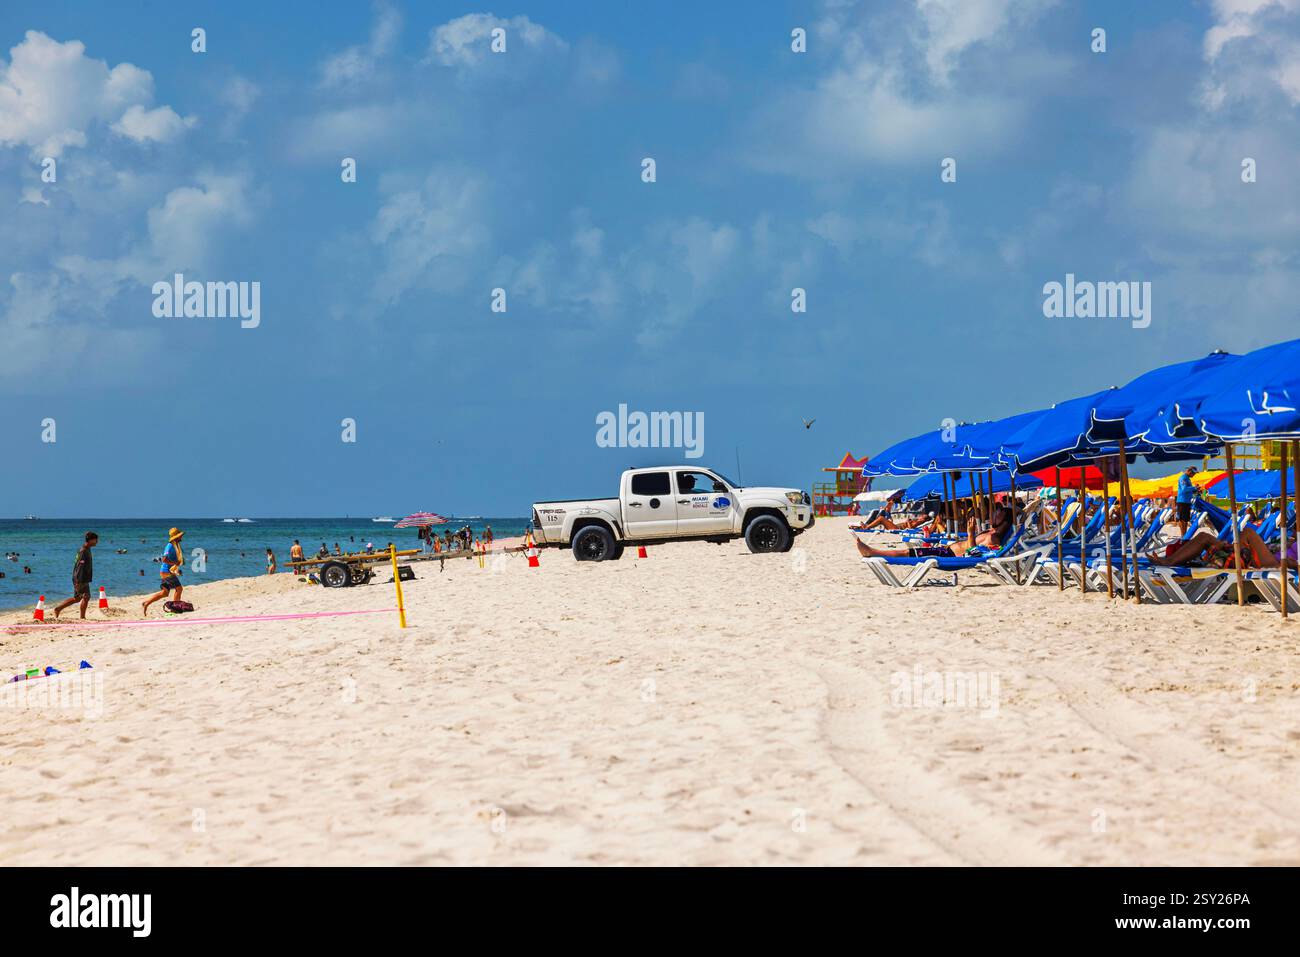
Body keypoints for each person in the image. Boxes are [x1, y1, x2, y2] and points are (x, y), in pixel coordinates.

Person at [856, 514, 1006, 560]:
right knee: (910, 552)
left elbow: (974, 553)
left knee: (908, 553)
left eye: (999, 514)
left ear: (1004, 521)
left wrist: (970, 533)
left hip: (950, 556)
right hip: (946, 551)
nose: (995, 514)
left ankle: (873, 552)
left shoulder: (993, 539)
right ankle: (873, 551)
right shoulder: (990, 532)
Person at [1152, 524, 1295, 569]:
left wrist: (1290, 563)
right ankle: (1170, 560)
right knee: (1203, 536)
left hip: (1274, 563)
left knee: (1248, 532)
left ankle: (1169, 561)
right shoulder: (1296, 539)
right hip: (1266, 555)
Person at [54, 531, 98, 620]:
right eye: (96, 540)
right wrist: (77, 581)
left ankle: (58, 609)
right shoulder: (83, 551)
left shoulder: (87, 548)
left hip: (83, 578)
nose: (97, 542)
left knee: (78, 598)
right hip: (80, 578)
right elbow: (79, 566)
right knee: (86, 597)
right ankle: (82, 617)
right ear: (90, 540)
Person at [142, 527, 185, 616]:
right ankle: (175, 609)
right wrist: (174, 562)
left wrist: (178, 564)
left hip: (167, 571)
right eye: (180, 536)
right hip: (166, 572)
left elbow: (174, 560)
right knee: (179, 589)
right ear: (176, 537)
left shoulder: (175, 545)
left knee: (165, 593)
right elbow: (164, 559)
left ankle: (146, 603)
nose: (181, 537)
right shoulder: (169, 546)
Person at [1175, 466, 1198, 536]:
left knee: (1185, 520)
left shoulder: (1187, 478)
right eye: (1194, 473)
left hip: (1186, 502)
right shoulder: (1183, 477)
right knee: (1182, 520)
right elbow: (1184, 489)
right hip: (1182, 501)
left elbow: (1188, 490)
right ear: (1190, 472)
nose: (1194, 475)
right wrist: (1194, 488)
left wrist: (1195, 490)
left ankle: (1184, 535)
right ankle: (1183, 536)